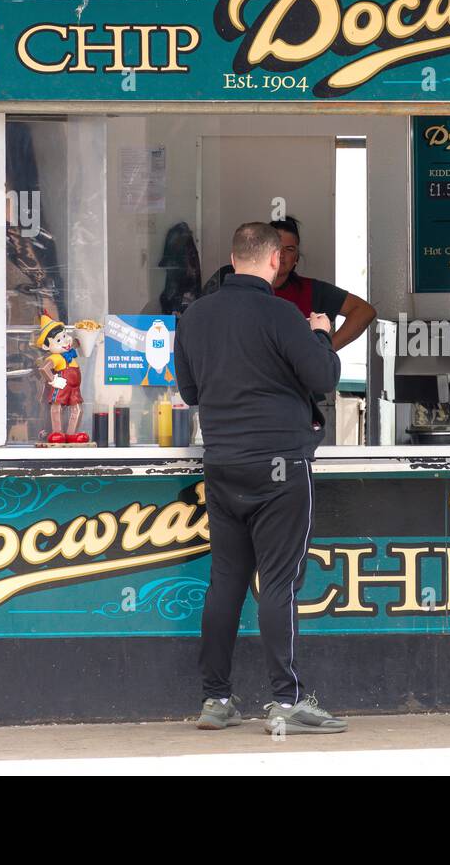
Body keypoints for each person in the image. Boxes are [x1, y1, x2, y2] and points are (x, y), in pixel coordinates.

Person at [175, 221, 347, 735]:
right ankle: (286, 700)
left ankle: (215, 701)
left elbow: (189, 393)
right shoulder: (284, 314)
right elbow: (323, 378)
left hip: (222, 462)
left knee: (224, 581)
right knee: (276, 582)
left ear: (233, 258)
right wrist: (320, 335)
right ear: (274, 261)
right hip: (279, 464)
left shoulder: (195, 317)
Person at [202, 215, 376, 351]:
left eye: (289, 249)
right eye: (277, 247)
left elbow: (364, 311)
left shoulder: (309, 289)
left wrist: (326, 350)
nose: (282, 255)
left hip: (297, 392)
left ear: (296, 259)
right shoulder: (230, 279)